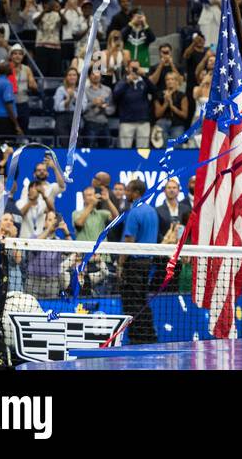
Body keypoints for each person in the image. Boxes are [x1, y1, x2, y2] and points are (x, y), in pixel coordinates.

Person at [118, 177, 158, 343]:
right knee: (142, 299)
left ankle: (137, 338)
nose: (125, 193)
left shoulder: (134, 212)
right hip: (147, 263)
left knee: (132, 302)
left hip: (134, 264)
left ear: (135, 193)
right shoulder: (152, 211)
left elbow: (129, 241)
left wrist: (120, 264)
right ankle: (148, 336)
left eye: (127, 190)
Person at [112, 60, 154, 149]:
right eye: (132, 68)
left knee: (143, 151)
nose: (134, 70)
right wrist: (127, 82)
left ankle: (142, 164)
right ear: (127, 68)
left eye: (136, 68)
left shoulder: (144, 82)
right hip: (126, 121)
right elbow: (115, 96)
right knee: (124, 150)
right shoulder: (122, 82)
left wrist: (145, 76)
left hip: (143, 121)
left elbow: (154, 91)